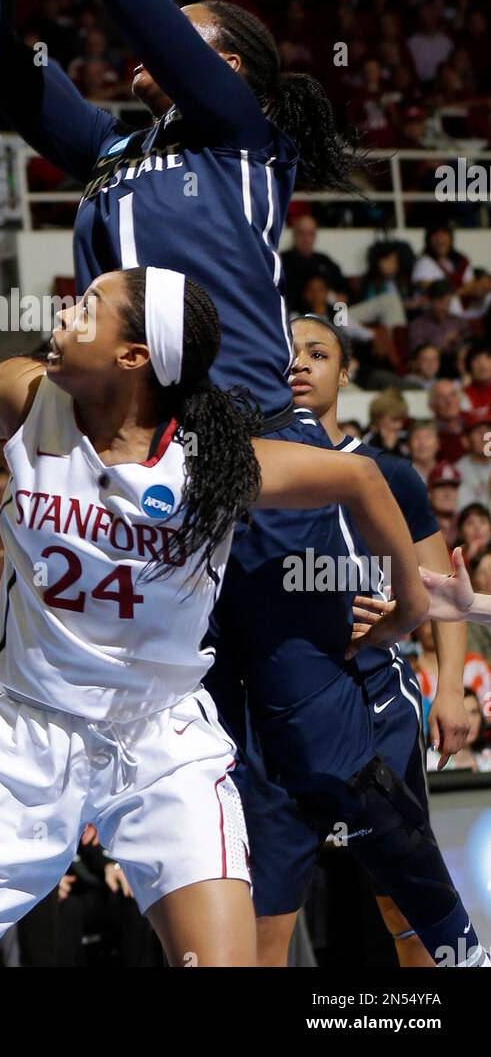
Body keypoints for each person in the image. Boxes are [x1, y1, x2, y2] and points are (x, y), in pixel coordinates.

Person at [0, 0, 483, 968]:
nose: (158, 45)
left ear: (229, 66)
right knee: (240, 780)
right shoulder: (110, 152)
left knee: (318, 748)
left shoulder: (242, 137)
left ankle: (451, 946)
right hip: (151, 482)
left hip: (255, 460)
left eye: (191, 39)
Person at [0, 263, 430, 967]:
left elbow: (361, 477)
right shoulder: (31, 398)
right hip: (22, 735)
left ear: (133, 357)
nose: (63, 317)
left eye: (87, 311)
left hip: (159, 739)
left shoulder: (211, 462)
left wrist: (410, 604)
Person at [256, 313, 469, 968]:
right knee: (267, 903)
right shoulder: (252, 466)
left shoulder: (390, 474)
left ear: (344, 373)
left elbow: (441, 593)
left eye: (317, 354)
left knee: (398, 889)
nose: (299, 365)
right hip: (277, 700)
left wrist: (452, 690)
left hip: (376, 692)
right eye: (287, 354)